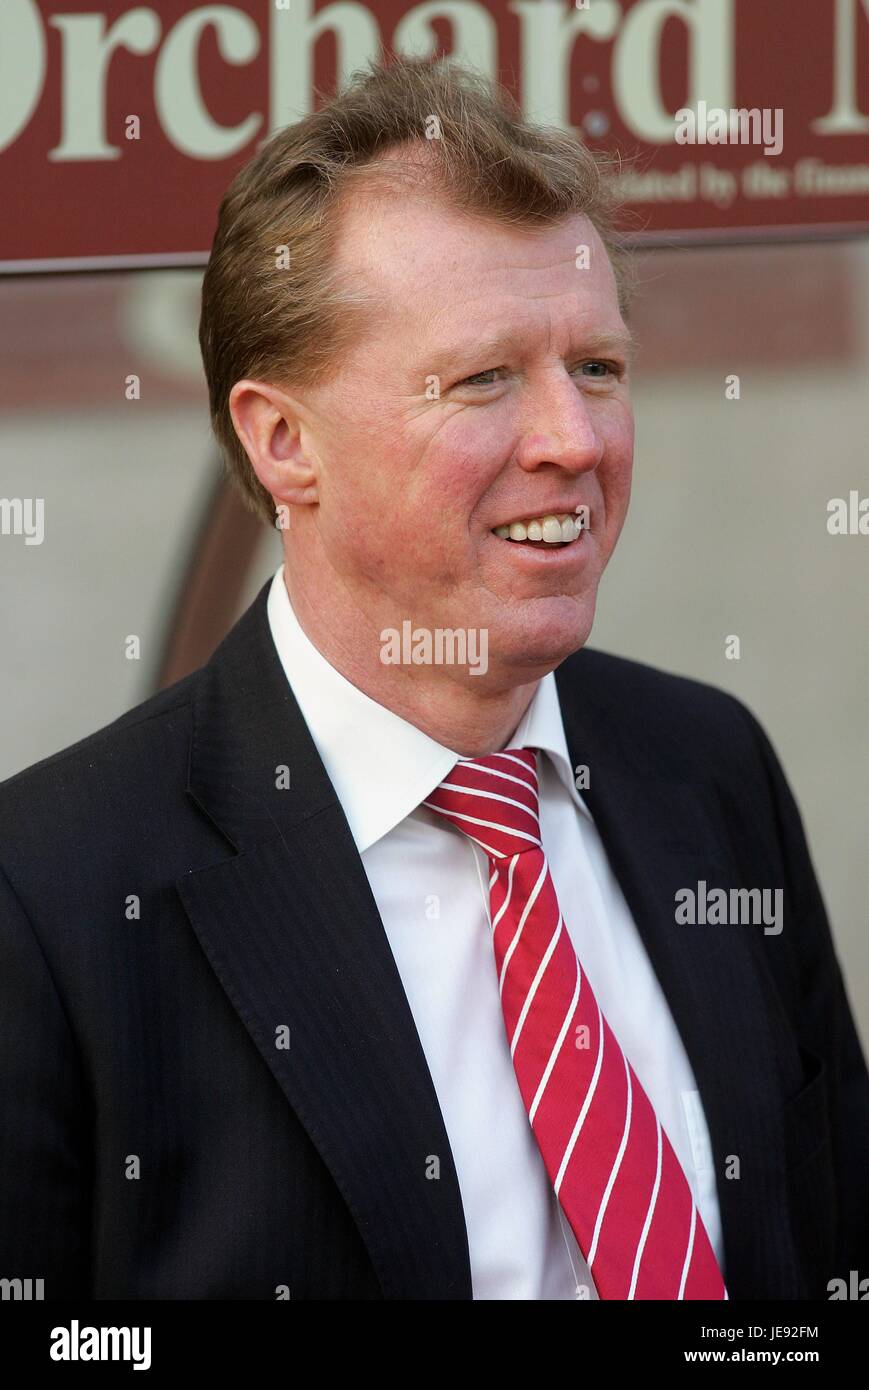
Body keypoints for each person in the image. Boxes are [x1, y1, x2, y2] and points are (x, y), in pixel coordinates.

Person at [1, 56, 866, 1301]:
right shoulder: (54, 896)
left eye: (599, 369)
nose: (573, 440)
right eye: (483, 379)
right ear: (283, 441)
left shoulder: (708, 767)